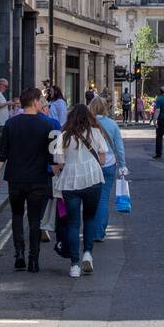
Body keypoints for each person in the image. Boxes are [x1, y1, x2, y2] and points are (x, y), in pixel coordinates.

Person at [0, 86, 56, 273]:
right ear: (35, 102)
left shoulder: (11, 124)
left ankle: (19, 253)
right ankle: (33, 259)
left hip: (15, 179)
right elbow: (53, 158)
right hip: (38, 179)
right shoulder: (48, 125)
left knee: (17, 216)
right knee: (35, 220)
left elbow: (2, 153)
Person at [52, 104, 109, 278]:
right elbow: (103, 158)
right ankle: (88, 254)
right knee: (90, 217)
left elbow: (58, 162)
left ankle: (74, 265)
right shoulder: (96, 133)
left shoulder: (63, 136)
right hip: (93, 179)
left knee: (73, 223)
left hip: (70, 182)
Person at [88, 95, 127, 241]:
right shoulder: (112, 124)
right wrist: (123, 165)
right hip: (109, 164)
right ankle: (99, 232)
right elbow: (119, 147)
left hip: (91, 165)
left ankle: (90, 231)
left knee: (90, 199)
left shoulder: (87, 123)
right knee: (103, 198)